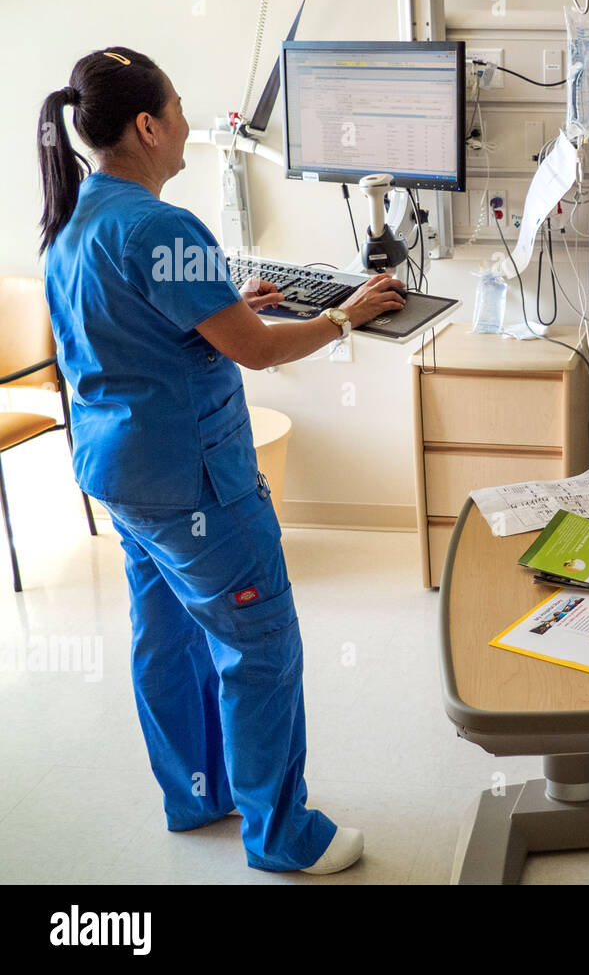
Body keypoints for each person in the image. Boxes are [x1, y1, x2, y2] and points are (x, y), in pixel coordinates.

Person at [38, 47, 405, 874]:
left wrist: (226, 303)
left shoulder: (74, 218)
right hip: (192, 484)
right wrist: (345, 315)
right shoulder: (162, 225)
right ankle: (282, 836)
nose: (185, 122)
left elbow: (128, 324)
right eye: (177, 105)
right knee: (260, 643)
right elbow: (260, 354)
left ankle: (195, 793)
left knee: (166, 632)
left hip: (119, 478)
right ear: (145, 126)